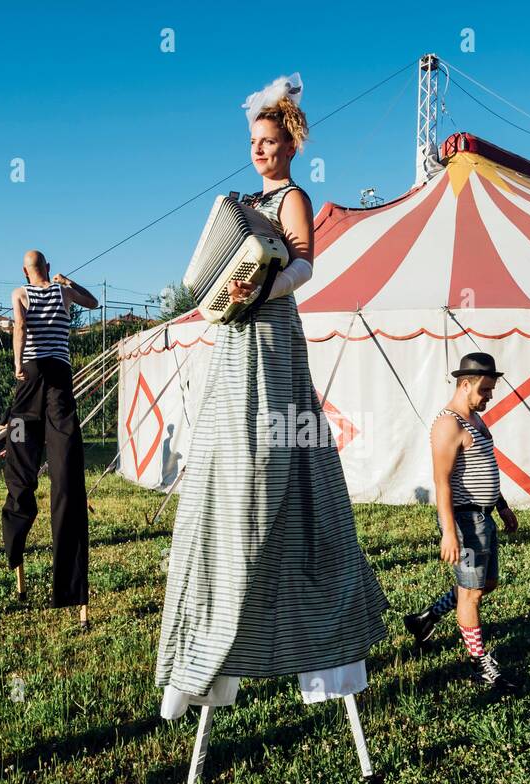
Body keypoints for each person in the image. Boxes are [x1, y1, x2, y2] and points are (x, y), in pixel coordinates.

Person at [156, 74, 389, 720]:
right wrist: (226, 296)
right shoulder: (242, 203)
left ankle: (301, 650)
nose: (261, 151)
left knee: (270, 467)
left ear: (291, 144)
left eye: (270, 142)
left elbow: (307, 266)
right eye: (255, 142)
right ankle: (204, 658)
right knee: (230, 472)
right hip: (235, 344)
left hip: (271, 340)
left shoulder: (292, 198)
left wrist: (258, 288)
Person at [403, 352, 519, 690]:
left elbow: (482, 471)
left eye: (492, 389)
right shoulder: (448, 425)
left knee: (485, 585)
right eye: (485, 390)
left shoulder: (477, 420)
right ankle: (480, 665)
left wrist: (502, 505)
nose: (489, 396)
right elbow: (442, 481)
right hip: (465, 521)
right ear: (465, 384)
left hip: (484, 517)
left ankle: (426, 618)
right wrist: (449, 532)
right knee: (471, 595)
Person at [1, 250, 98, 619]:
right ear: (49, 270)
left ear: (25, 272)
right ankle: (74, 594)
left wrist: (17, 364)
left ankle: (14, 549)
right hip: (59, 385)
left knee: (21, 468)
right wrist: (68, 283)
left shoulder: (20, 293)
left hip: (30, 384)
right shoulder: (63, 292)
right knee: (67, 479)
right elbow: (93, 301)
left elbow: (20, 329)